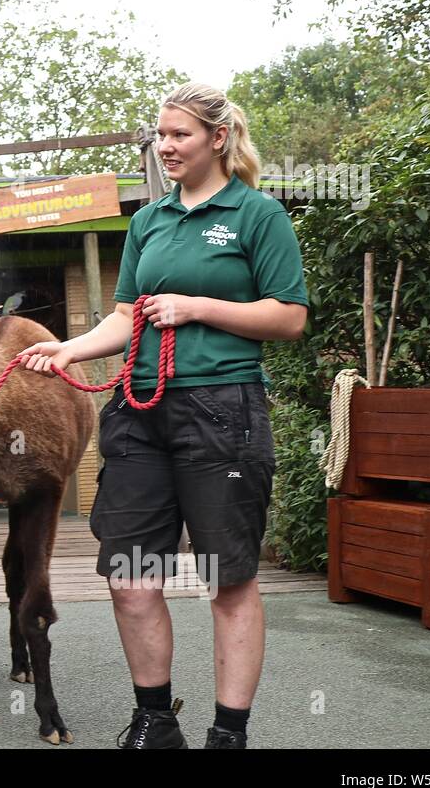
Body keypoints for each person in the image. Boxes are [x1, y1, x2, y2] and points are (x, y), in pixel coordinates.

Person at [19, 83, 308, 749]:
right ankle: (156, 720)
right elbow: (125, 318)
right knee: (129, 575)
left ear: (217, 138)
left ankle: (228, 733)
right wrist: (65, 349)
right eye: (160, 134)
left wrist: (197, 307)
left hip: (222, 413)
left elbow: (288, 316)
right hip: (140, 415)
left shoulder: (256, 215)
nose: (165, 145)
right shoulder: (148, 222)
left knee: (224, 580)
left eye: (179, 134)